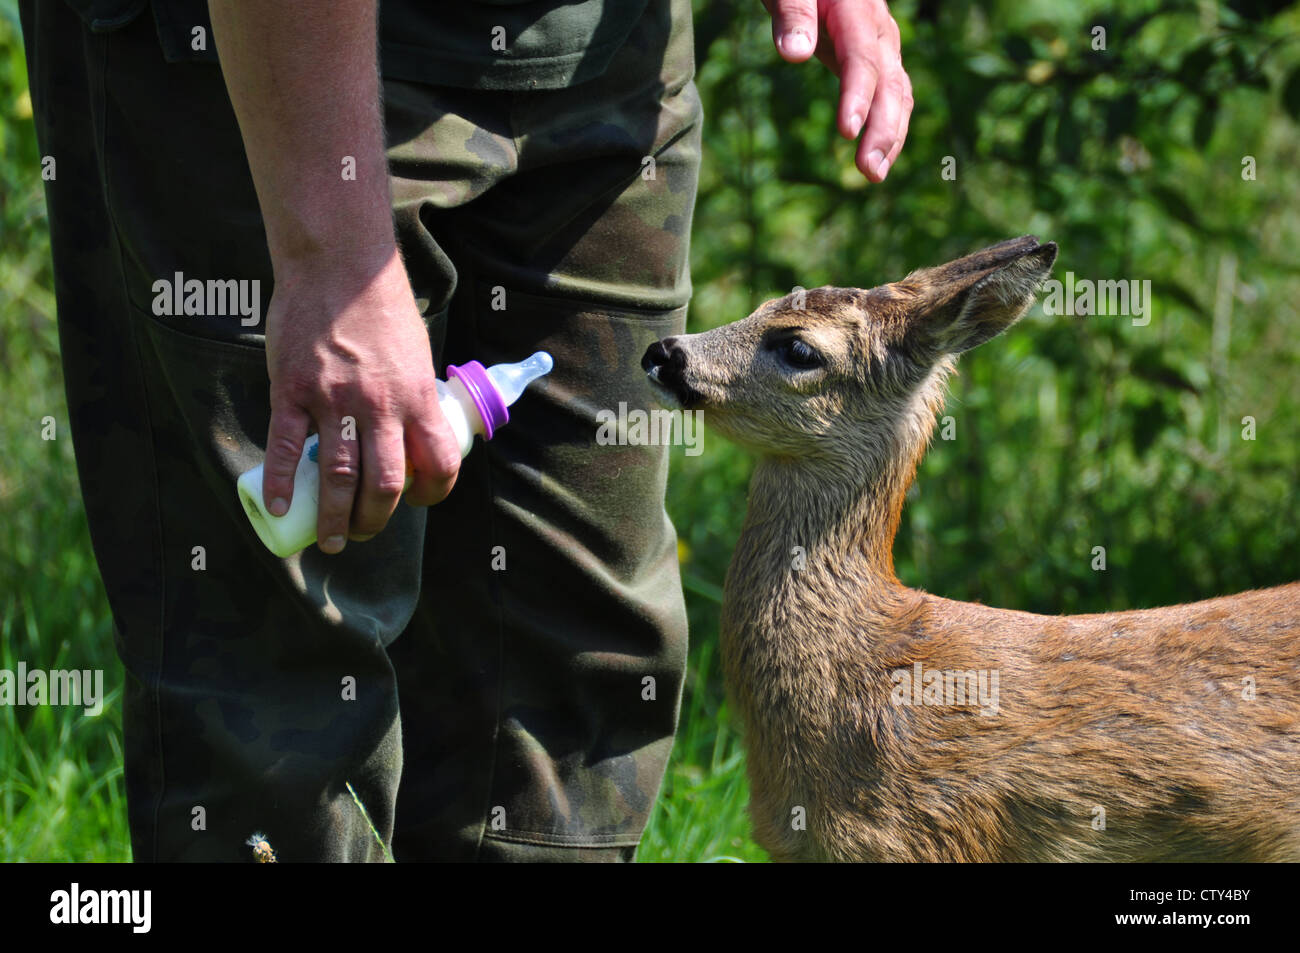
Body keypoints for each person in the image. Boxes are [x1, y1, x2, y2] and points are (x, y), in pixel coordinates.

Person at [19, 0, 912, 862]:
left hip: (605, 55)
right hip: (263, 62)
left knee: (570, 647)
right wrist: (329, 257)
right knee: (284, 670)